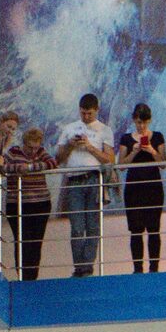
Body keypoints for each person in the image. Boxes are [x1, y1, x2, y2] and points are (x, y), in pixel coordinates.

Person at [54, 93, 113, 277]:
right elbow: (58, 159)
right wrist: (71, 145)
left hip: (94, 179)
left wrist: (90, 147)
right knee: (77, 227)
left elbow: (109, 159)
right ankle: (81, 268)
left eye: (89, 113)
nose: (86, 117)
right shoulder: (69, 128)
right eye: (83, 113)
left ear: (96, 110)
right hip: (74, 180)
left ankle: (86, 266)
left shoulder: (105, 130)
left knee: (93, 226)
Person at [116, 102, 166, 273]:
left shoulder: (157, 137)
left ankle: (154, 268)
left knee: (154, 228)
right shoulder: (126, 138)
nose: (142, 126)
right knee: (135, 229)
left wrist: (151, 150)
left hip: (153, 187)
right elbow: (121, 165)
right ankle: (138, 268)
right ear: (133, 121)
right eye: (138, 123)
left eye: (144, 123)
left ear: (150, 121)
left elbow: (164, 163)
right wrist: (135, 151)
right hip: (134, 189)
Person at [2, 125, 57, 280]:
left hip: (40, 203)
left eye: (35, 147)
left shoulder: (41, 152)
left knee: (35, 242)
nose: (33, 151)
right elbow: (2, 166)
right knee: (21, 241)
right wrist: (18, 168)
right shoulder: (13, 152)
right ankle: (23, 276)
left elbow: (53, 163)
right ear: (24, 143)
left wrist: (31, 167)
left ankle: (32, 277)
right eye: (29, 147)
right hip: (18, 203)